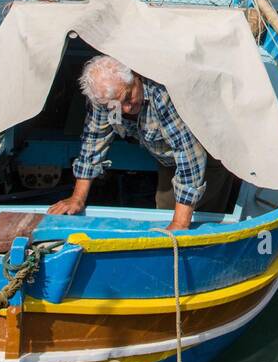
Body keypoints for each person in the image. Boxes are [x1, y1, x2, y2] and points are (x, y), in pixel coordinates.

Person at [49, 55, 234, 231]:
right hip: (168, 158)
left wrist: (180, 223)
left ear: (136, 76)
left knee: (201, 218)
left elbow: (190, 154)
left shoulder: (161, 93)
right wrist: (77, 198)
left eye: (129, 97)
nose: (128, 108)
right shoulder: (105, 99)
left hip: (210, 152)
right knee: (164, 210)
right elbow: (93, 140)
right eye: (118, 105)